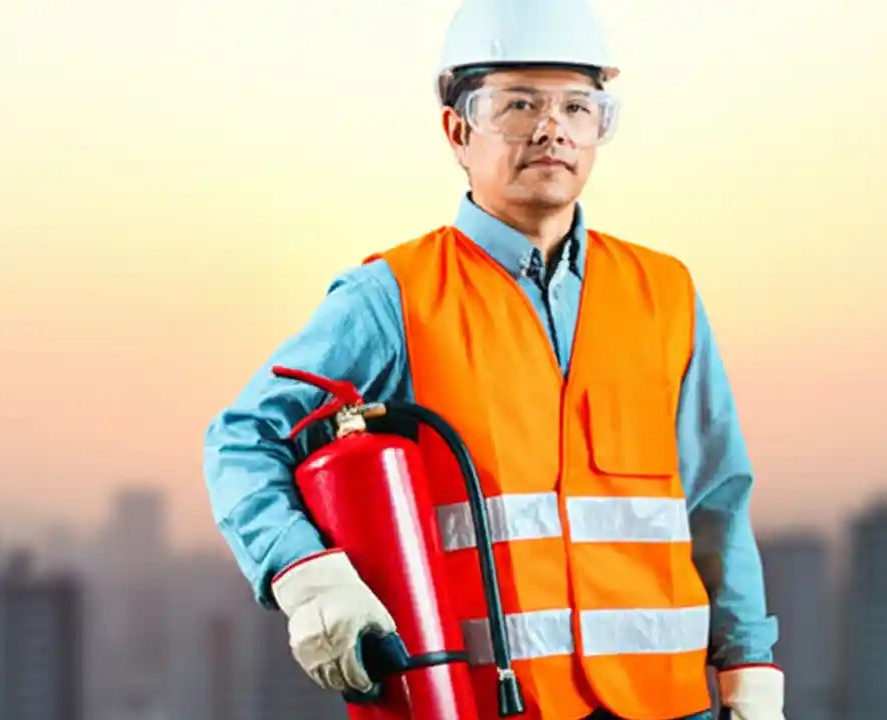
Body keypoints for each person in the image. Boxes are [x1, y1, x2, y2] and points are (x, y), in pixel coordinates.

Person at [201, 0, 785, 718]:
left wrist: (749, 668)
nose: (551, 129)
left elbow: (715, 501)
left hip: (671, 705)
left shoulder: (664, 292)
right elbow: (242, 440)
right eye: (518, 105)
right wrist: (308, 578)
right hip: (492, 704)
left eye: (577, 107)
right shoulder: (394, 298)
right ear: (458, 131)